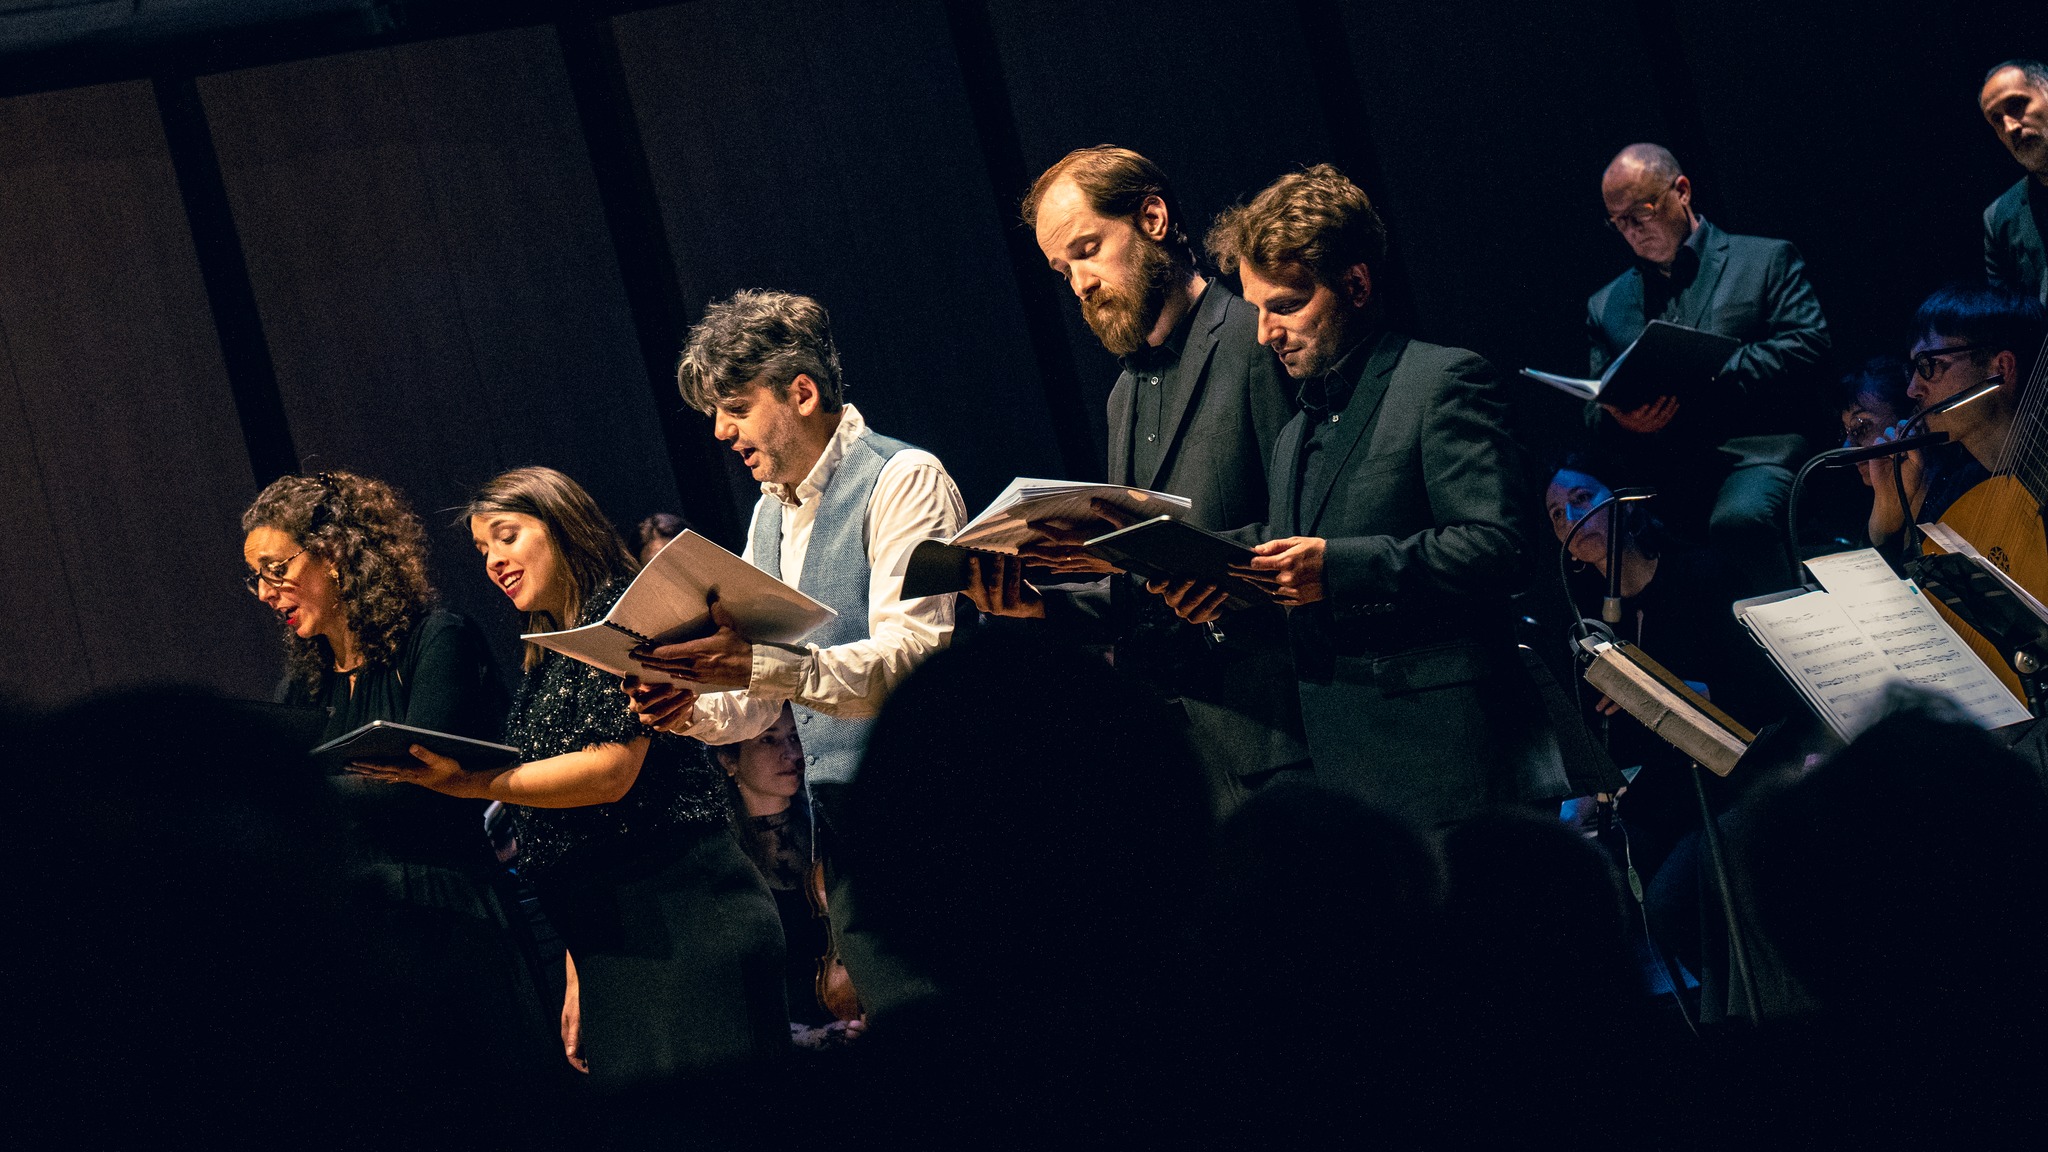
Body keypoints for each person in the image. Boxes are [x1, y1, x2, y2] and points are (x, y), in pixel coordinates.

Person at [349, 466, 788, 1102]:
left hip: (685, 922)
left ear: (562, 528)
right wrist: (580, 966)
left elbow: (611, 772)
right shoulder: (549, 650)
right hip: (616, 940)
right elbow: (569, 834)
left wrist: (471, 784)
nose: (495, 561)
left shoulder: (624, 615)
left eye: (506, 536)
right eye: (482, 550)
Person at [1165, 163, 1567, 828]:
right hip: (1356, 778)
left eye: (1286, 306)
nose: (1266, 332)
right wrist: (1218, 575)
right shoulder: (1296, 431)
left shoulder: (1443, 381)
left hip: (1463, 767)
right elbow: (1295, 552)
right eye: (1257, 308)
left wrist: (1339, 569)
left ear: (1355, 285)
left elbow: (1499, 547)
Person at [965, 144, 1308, 809]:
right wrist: (1039, 603)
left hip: (1276, 741)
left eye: (1089, 250)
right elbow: (1136, 587)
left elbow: (1312, 525)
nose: (1080, 285)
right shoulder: (1123, 394)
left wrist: (1212, 567)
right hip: (1178, 754)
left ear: (1153, 218)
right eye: (1063, 271)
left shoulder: (1252, 340)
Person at [240, 470, 556, 1092]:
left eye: (275, 568)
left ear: (334, 555)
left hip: (450, 917)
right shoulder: (307, 685)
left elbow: (414, 786)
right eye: (256, 576)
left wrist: (305, 793)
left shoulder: (438, 639)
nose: (263, 591)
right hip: (365, 933)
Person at [1586, 144, 1831, 596]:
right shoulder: (1607, 305)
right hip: (1669, 467)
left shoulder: (1763, 260)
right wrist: (1618, 417)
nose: (1632, 232)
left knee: (1738, 520)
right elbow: (1595, 400)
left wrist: (1713, 366)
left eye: (1641, 212)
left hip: (1759, 452)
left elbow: (1809, 345)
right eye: (1617, 222)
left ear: (1681, 191)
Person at [714, 702, 865, 1049]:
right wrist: (809, 1038)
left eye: (795, 737)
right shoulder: (720, 857)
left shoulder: (826, 833)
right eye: (769, 740)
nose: (791, 753)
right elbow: (729, 993)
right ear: (728, 758)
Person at [1980, 59, 2048, 305]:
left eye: (2017, 105)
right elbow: (2010, 323)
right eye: (1997, 120)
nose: (2009, 127)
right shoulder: (1998, 218)